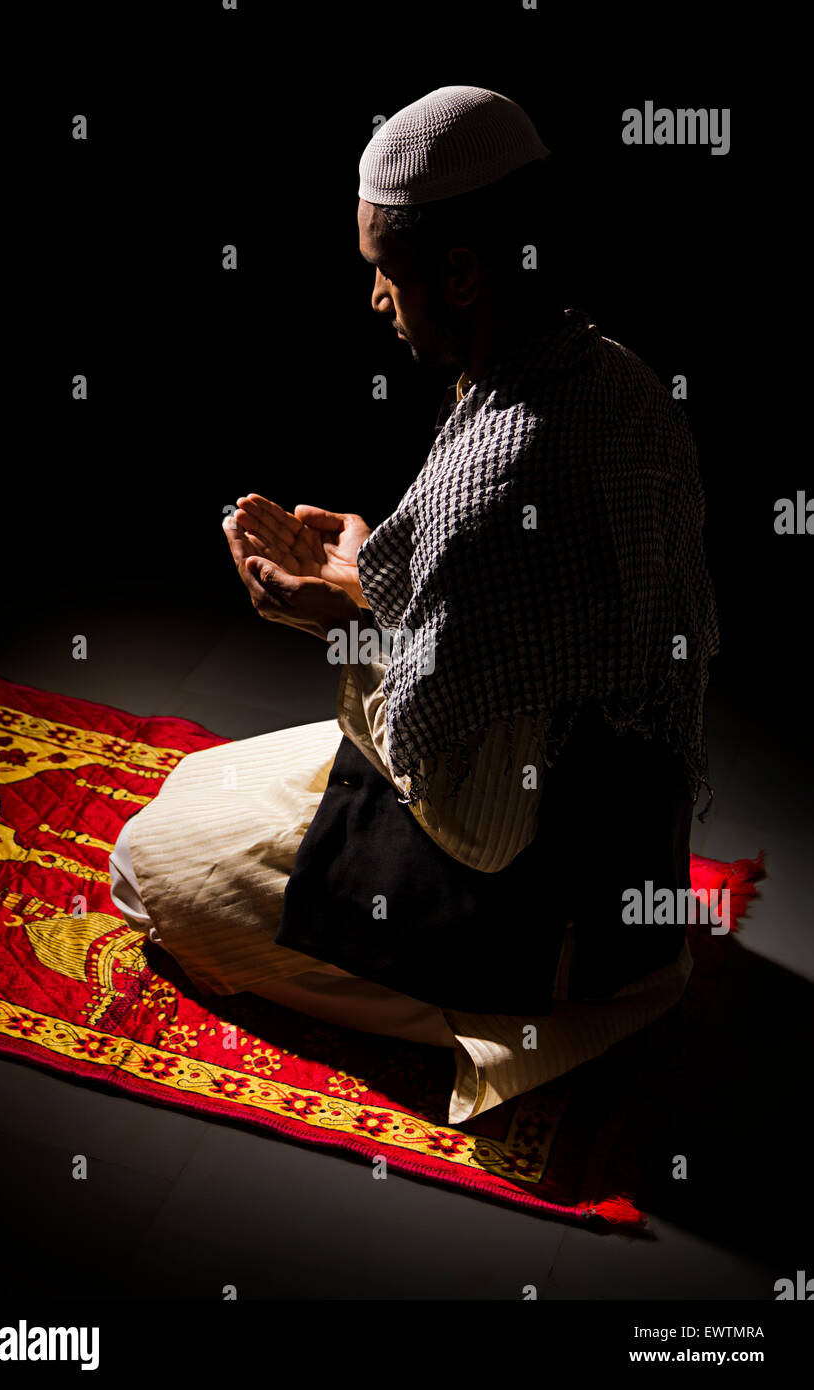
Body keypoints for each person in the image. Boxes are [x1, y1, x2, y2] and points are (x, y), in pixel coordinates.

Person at [109, 86, 719, 1124]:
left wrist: (341, 625)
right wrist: (370, 569)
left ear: (463, 273)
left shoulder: (499, 476)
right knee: (197, 783)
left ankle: (528, 1017)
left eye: (385, 274)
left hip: (536, 880)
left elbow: (464, 821)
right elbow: (513, 628)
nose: (375, 301)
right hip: (615, 821)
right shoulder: (617, 379)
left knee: (149, 868)